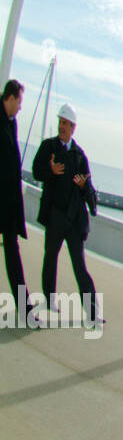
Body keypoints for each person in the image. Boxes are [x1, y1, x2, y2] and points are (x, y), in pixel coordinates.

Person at [33, 103, 99, 327]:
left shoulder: (79, 156)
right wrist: (49, 171)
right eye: (60, 122)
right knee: (50, 257)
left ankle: (92, 312)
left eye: (65, 123)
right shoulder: (48, 147)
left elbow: (90, 191)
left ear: (73, 128)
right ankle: (50, 300)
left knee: (79, 266)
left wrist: (83, 187)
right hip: (55, 216)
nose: (61, 126)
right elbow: (36, 171)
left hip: (74, 221)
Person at [2, 80, 34, 323]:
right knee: (12, 252)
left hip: (8, 201)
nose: (21, 107)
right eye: (20, 102)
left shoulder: (12, 123)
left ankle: (25, 310)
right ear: (10, 98)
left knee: (13, 252)